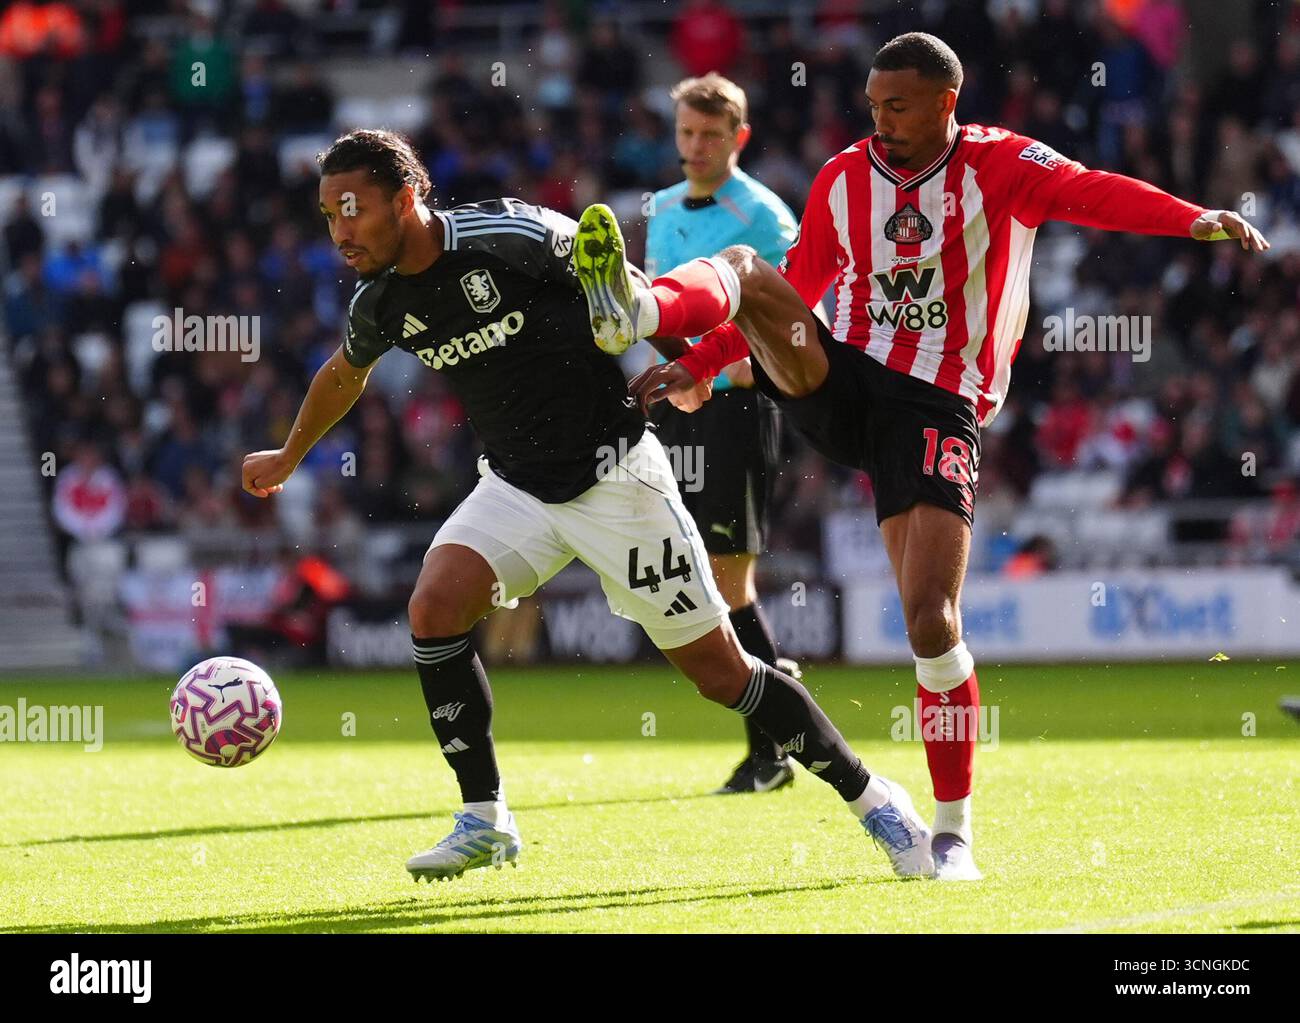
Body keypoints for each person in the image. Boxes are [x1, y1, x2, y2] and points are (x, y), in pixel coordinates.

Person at [574, 32, 1270, 881]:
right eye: (873, 106)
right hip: (845, 377)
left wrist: (1191, 217)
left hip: (938, 402)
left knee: (931, 626)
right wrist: (697, 361)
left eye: (897, 106)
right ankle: (640, 309)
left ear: (947, 101)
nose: (881, 121)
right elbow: (799, 280)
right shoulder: (843, 176)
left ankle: (949, 832)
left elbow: (1092, 192)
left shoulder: (1002, 163)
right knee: (753, 268)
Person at [242, 129, 937, 883]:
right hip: (515, 485)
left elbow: (621, 285)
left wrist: (682, 352)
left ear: (406, 200)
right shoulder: (381, 302)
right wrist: (288, 453)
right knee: (433, 608)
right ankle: (485, 817)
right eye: (328, 215)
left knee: (722, 673)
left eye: (354, 210)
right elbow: (344, 376)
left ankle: (876, 799)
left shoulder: (508, 234)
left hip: (616, 480)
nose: (340, 232)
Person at [646, 72, 802, 795]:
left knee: (728, 581)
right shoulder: (664, 208)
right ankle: (782, 704)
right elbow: (655, 309)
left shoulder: (765, 215)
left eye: (711, 134)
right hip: (680, 406)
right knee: (708, 579)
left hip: (740, 405)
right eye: (686, 133)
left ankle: (773, 744)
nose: (696, 146)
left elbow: (795, 315)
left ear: (739, 137)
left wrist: (725, 371)